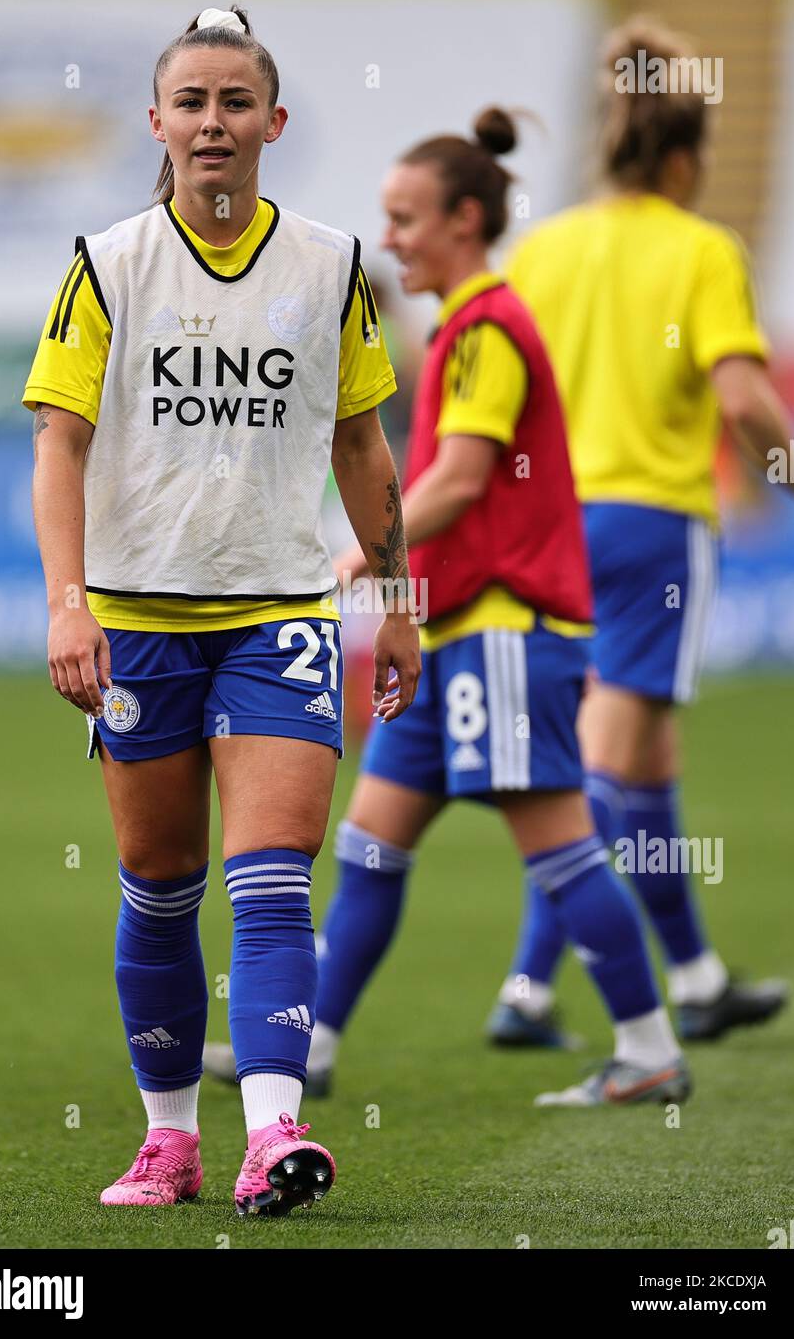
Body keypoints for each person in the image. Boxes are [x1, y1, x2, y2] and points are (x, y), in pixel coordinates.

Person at [205, 107, 695, 1109]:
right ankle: (313, 1048)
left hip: (505, 632)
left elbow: (459, 480)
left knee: (555, 840)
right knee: (370, 842)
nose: (386, 238)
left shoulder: (485, 326)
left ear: (465, 219)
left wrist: (347, 561)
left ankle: (647, 1046)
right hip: (452, 633)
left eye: (403, 218)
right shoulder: (465, 326)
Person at [23, 4, 420, 1217]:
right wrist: (67, 605)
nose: (212, 122)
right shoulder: (107, 263)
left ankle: (272, 1134)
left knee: (272, 876)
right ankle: (167, 1141)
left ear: (272, 123)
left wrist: (394, 597)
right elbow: (59, 443)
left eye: (234, 102)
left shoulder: (331, 263)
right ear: (157, 122)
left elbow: (363, 444)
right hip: (137, 622)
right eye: (190, 102)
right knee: (157, 881)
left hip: (279, 617)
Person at [489, 19, 794, 1048]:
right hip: (647, 529)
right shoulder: (699, 249)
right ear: (682, 155)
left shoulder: (544, 249)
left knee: (644, 764)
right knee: (602, 770)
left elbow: (498, 397)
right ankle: (528, 990)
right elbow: (743, 395)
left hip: (549, 527)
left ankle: (700, 976)